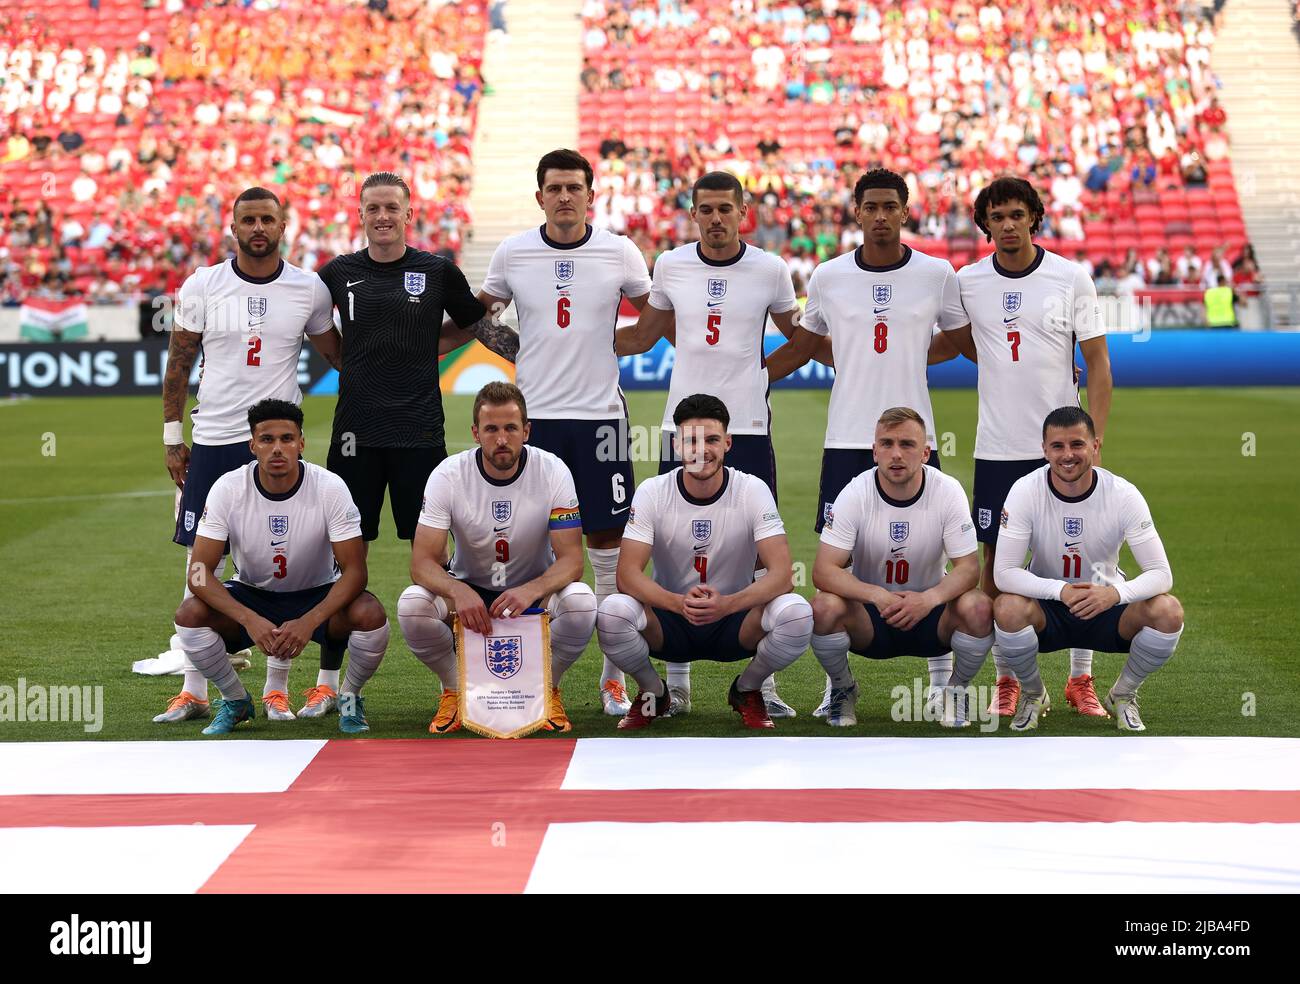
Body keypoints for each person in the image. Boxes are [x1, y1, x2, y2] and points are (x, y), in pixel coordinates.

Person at [760, 167, 969, 716]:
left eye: (890, 207)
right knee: (837, 564)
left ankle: (942, 683)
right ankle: (839, 684)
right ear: (856, 212)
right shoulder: (828, 276)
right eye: (870, 207)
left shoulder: (936, 273)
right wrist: (749, 377)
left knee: (936, 552)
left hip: (915, 436)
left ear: (905, 211)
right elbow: (808, 343)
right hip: (847, 439)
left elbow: (962, 339)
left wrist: (911, 359)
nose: (880, 216)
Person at [466, 149, 651, 717]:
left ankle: (613, 675)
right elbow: (480, 314)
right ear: (540, 195)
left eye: (575, 187)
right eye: (555, 187)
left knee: (607, 544)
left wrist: (613, 348)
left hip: (602, 419)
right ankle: (531, 674)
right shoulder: (513, 251)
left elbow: (652, 316)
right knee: (537, 548)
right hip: (535, 420)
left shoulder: (619, 250)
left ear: (591, 195)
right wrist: (516, 351)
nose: (565, 196)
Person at [153, 186, 343, 725]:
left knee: (282, 559)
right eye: (248, 219)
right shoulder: (203, 283)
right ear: (232, 226)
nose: (258, 227)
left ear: (284, 226)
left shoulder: (308, 288)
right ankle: (196, 690)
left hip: (275, 437)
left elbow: (339, 355)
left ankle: (276, 688)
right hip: (213, 438)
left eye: (268, 219)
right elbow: (179, 362)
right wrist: (173, 436)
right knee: (198, 559)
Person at [620, 170, 807, 718]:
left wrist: (758, 375)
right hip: (681, 428)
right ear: (693, 213)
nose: (717, 218)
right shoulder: (672, 264)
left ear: (743, 211)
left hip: (747, 426)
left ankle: (762, 683)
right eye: (707, 209)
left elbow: (799, 338)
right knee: (672, 546)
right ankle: (674, 685)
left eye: (727, 208)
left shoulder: (771, 269)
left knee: (756, 553)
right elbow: (645, 334)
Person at [945, 176, 1113, 720]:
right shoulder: (967, 281)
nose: (1008, 225)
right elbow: (967, 344)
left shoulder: (1070, 277)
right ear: (985, 224)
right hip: (997, 448)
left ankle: (1080, 678)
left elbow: (1100, 365)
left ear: (1034, 218)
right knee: (998, 565)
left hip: (1062, 447)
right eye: (997, 217)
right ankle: (1010, 677)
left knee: (1081, 553)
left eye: (1018, 214)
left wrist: (1097, 439)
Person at [318, 171, 517, 552]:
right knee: (345, 542)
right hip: (354, 432)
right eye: (373, 208)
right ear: (360, 215)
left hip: (419, 429)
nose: (383, 216)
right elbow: (308, 320)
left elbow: (477, 325)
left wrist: (536, 355)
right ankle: (345, 613)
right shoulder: (337, 273)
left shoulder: (438, 271)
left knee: (430, 541)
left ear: (409, 214)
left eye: (392, 208)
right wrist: (345, 359)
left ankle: (431, 612)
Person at [595, 394, 813, 730]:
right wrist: (677, 603)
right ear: (676, 444)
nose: (702, 450)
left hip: (735, 621)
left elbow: (782, 574)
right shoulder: (654, 491)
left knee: (797, 612)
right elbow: (627, 575)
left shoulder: (752, 489)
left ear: (727, 443)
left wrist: (728, 604)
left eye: (712, 440)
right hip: (670, 621)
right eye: (692, 440)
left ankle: (747, 688)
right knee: (612, 611)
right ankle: (654, 692)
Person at [174, 400, 389, 735]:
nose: (277, 448)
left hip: (317, 594)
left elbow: (355, 572)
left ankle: (349, 698)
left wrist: (309, 621)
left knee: (370, 613)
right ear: (252, 445)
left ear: (301, 443)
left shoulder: (330, 487)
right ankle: (235, 699)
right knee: (189, 614)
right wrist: (248, 618)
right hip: (252, 593)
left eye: (287, 439)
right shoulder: (228, 488)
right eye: (267, 439)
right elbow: (199, 572)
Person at [396, 383, 597, 734]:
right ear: (475, 433)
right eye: (491, 429)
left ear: (527, 431)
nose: (501, 439)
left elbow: (571, 561)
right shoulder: (448, 475)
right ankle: (455, 690)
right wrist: (458, 591)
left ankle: (547, 688)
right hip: (469, 588)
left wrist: (530, 590)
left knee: (582, 602)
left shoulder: (553, 471)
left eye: (510, 428)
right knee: (412, 606)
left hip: (534, 592)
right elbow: (422, 563)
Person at [992, 408, 1184, 732]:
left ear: (1095, 445)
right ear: (1044, 450)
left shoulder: (1123, 494)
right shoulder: (1024, 491)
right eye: (1058, 446)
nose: (1068, 455)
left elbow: (1161, 573)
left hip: (1106, 607)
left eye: (1077, 445)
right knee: (1006, 607)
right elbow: (1004, 572)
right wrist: (1061, 590)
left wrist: (1114, 594)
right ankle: (1034, 694)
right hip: (1047, 608)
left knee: (1168, 611)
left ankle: (1123, 695)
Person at [809, 408, 992, 728]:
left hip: (931, 618)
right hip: (870, 618)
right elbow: (824, 571)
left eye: (907, 445)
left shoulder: (947, 490)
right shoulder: (855, 492)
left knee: (978, 606)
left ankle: (955, 692)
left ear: (925, 453)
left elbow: (968, 569)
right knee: (823, 606)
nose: (896, 454)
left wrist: (929, 599)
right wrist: (876, 595)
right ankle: (842, 688)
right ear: (874, 450)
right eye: (887, 444)